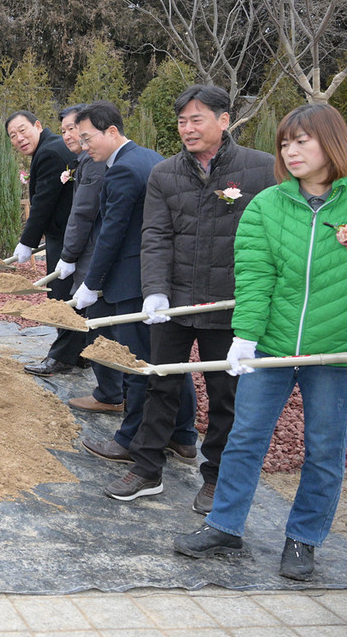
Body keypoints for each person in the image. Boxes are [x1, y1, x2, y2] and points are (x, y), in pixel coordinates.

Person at [175, 103, 347, 580]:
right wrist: (245, 335)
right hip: (274, 345)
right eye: (286, 142)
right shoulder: (267, 204)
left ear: (333, 143)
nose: (291, 150)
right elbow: (255, 277)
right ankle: (224, 525)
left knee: (324, 447)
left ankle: (303, 539)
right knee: (244, 438)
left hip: (339, 350)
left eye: (302, 140)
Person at [103, 85, 275, 509]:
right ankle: (146, 469)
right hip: (176, 302)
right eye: (182, 121)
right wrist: (155, 292)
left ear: (224, 120)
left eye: (197, 119)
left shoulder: (261, 170)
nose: (187, 128)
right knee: (161, 382)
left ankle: (216, 477)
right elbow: (156, 235)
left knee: (225, 393)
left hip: (229, 303)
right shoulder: (165, 174)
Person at [70, 101, 192, 462]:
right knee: (166, 362)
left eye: (88, 137)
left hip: (135, 280)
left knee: (136, 364)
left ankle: (130, 440)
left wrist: (91, 283)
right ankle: (183, 434)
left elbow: (112, 232)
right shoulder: (148, 156)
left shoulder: (122, 170)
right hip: (158, 278)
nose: (84, 145)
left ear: (112, 132)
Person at [52, 104, 121, 410]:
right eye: (66, 130)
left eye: (77, 131)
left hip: (94, 256)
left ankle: (110, 394)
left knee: (100, 325)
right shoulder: (86, 160)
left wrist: (68, 256)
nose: (70, 136)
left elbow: (83, 214)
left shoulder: (94, 163)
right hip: (98, 253)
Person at [4, 110, 81, 376]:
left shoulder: (50, 153)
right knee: (70, 296)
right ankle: (80, 354)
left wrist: (27, 242)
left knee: (62, 297)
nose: (19, 139)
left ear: (38, 125)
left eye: (23, 130)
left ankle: (62, 358)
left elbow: (43, 205)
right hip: (69, 233)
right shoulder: (52, 148)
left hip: (66, 236)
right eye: (13, 136)